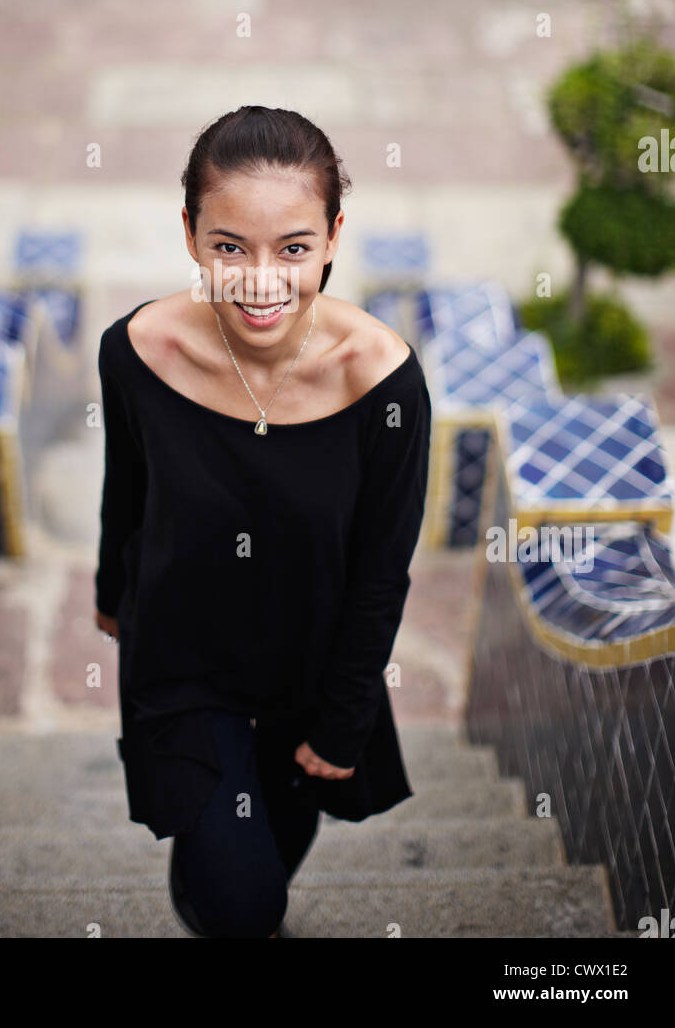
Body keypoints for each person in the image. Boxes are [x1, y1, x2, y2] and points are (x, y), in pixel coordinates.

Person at [94, 105, 432, 938]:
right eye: (229, 247)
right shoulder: (137, 351)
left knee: (265, 862)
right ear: (189, 233)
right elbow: (127, 488)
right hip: (181, 656)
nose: (259, 281)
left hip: (310, 670)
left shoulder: (383, 381)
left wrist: (344, 719)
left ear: (333, 237)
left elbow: (381, 570)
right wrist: (110, 594)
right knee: (245, 906)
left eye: (293, 249)